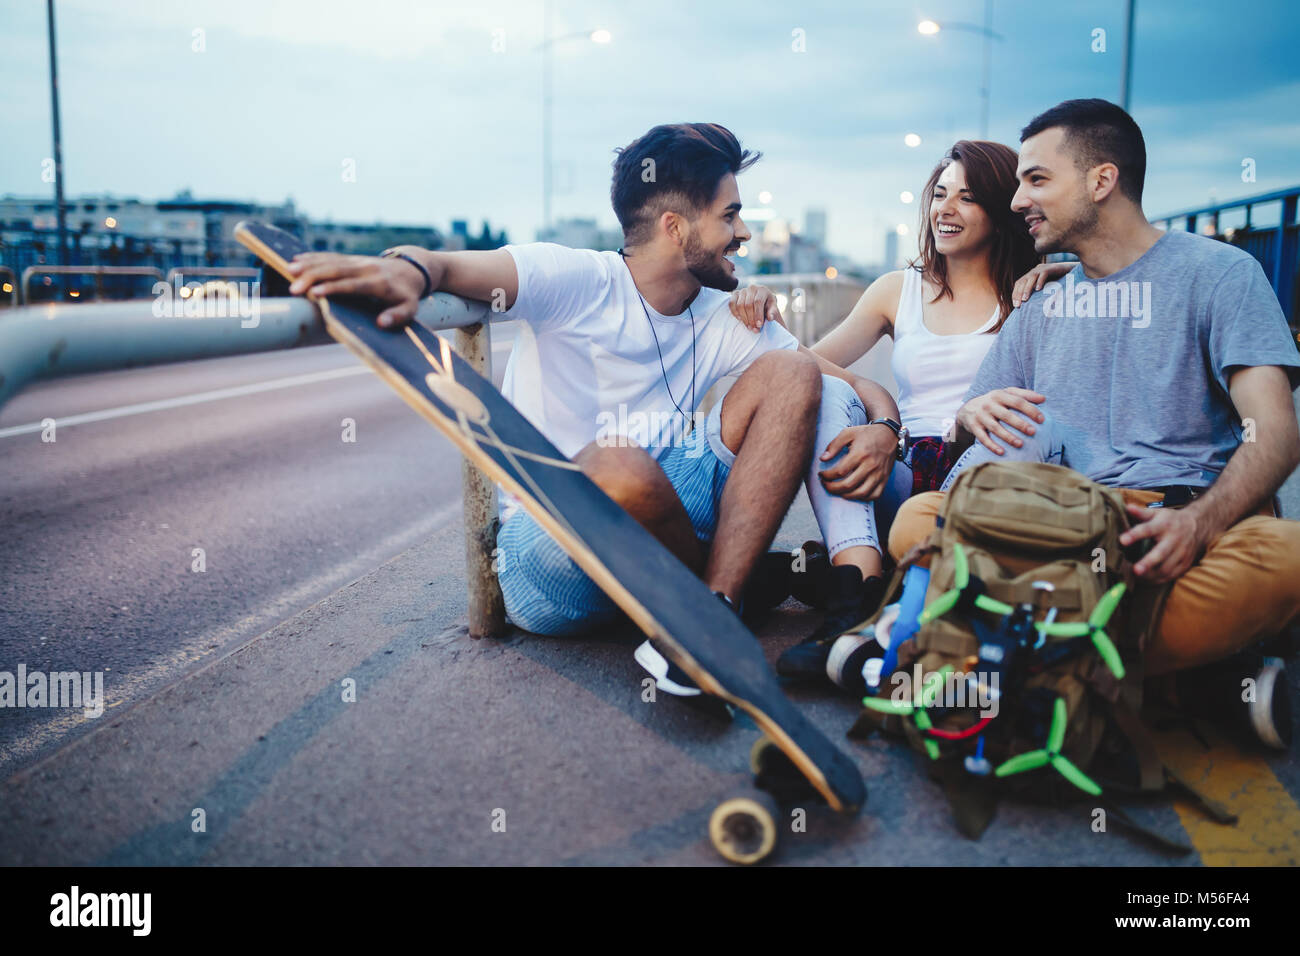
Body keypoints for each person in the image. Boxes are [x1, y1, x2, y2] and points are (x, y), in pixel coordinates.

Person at [284, 122, 898, 695]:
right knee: (617, 465)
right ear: (675, 227)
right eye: (731, 215)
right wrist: (406, 277)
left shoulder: (721, 312)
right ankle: (736, 583)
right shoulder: (578, 279)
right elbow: (443, 264)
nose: (744, 234)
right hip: (551, 550)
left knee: (792, 372)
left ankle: (714, 613)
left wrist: (884, 430)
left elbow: (846, 388)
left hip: (666, 521)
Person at [886, 99, 1300, 743]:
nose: (1018, 199)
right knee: (917, 521)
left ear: (1101, 182)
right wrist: (970, 412)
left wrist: (1197, 525)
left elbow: (1274, 432)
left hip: (1166, 527)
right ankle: (1172, 680)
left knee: (1288, 552)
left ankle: (973, 651)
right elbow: (973, 428)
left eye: (1037, 179)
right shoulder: (1041, 302)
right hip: (1051, 531)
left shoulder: (1222, 275)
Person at [729, 140, 1044, 682]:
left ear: (1000, 208)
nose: (945, 209)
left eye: (967, 198)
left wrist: (1058, 274)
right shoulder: (898, 289)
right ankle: (856, 593)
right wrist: (766, 316)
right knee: (825, 394)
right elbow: (810, 365)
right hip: (903, 474)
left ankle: (836, 578)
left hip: (983, 473)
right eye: (939, 194)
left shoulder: (1031, 292)